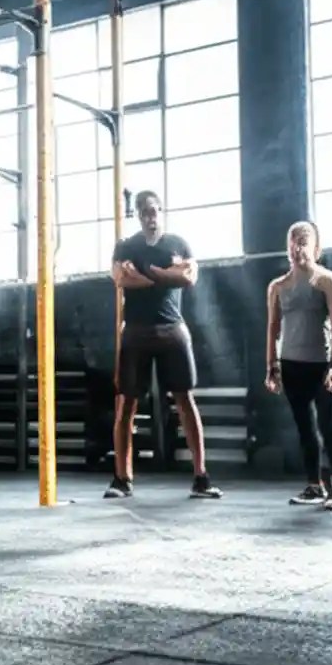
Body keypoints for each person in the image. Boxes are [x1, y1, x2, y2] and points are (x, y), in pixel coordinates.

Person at [106, 190, 222, 500]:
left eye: (155, 210)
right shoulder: (125, 246)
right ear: (137, 214)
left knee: (185, 398)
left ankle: (201, 476)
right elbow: (121, 279)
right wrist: (166, 274)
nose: (150, 216)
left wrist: (149, 274)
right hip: (136, 330)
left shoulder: (178, 243)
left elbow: (189, 277)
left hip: (172, 329)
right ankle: (122, 478)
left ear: (162, 211)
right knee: (126, 403)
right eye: (144, 211)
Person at [265, 221, 332, 510]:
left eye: (303, 240)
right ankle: (315, 485)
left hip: (322, 365)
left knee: (329, 425)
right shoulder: (277, 286)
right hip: (291, 365)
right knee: (305, 428)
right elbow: (273, 329)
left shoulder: (327, 280)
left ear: (316, 247)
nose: (297, 246)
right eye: (292, 240)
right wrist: (271, 367)